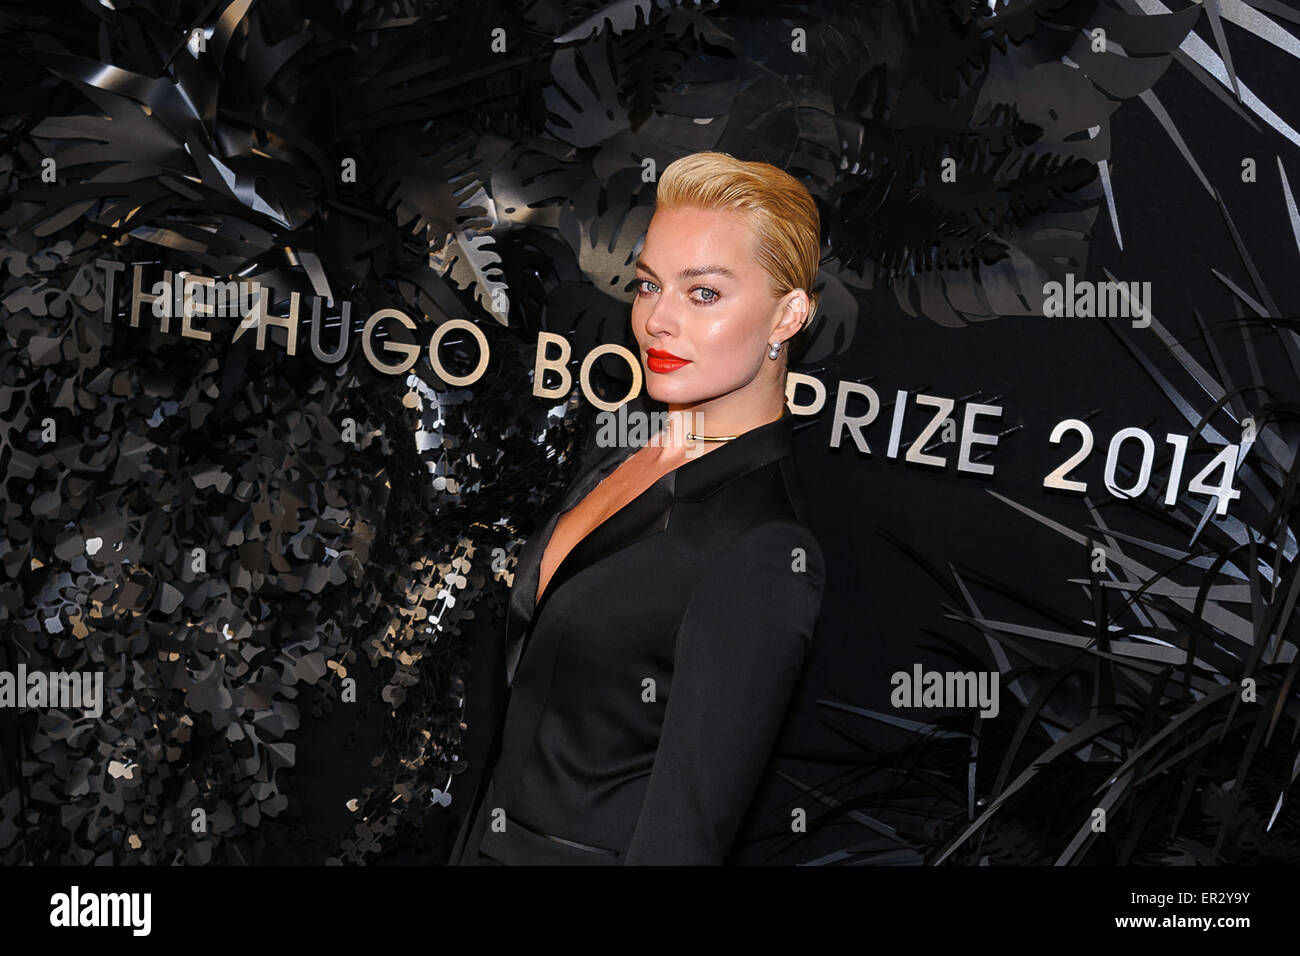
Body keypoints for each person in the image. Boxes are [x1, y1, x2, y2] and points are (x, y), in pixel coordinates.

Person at [447, 151, 826, 865]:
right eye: (649, 285)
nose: (657, 320)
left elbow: (684, 839)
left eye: (704, 294)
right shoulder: (623, 454)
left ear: (789, 314)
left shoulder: (764, 547)